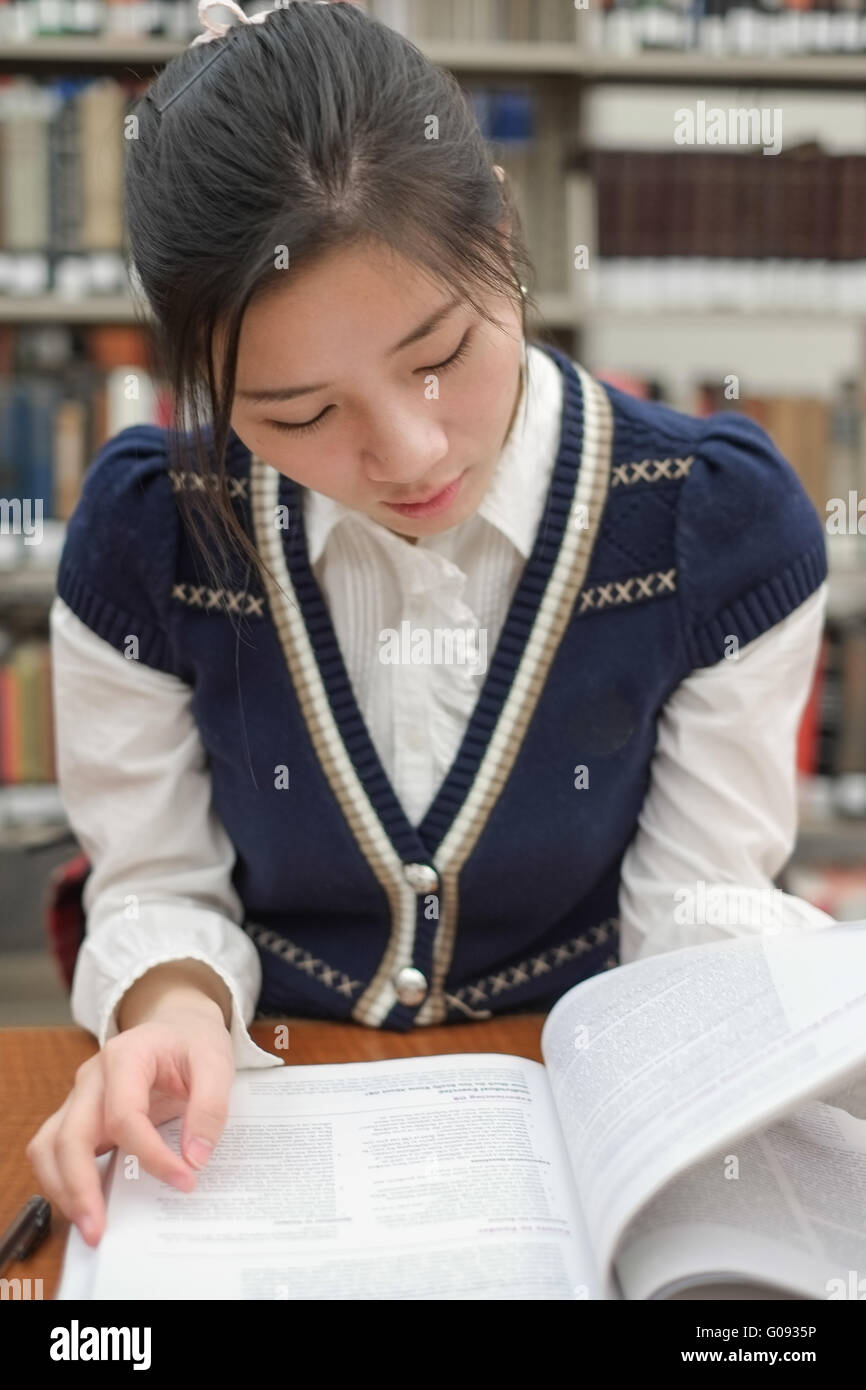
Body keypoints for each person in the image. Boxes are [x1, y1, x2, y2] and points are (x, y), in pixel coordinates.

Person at [27, 0, 836, 1249]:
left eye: (442, 352)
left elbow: (691, 916)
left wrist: (795, 1002)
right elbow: (160, 885)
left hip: (585, 1137)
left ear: (503, 234)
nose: (408, 453)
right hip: (268, 1124)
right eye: (298, 415)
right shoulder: (150, 538)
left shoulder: (711, 529)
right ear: (196, 378)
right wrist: (175, 1012)